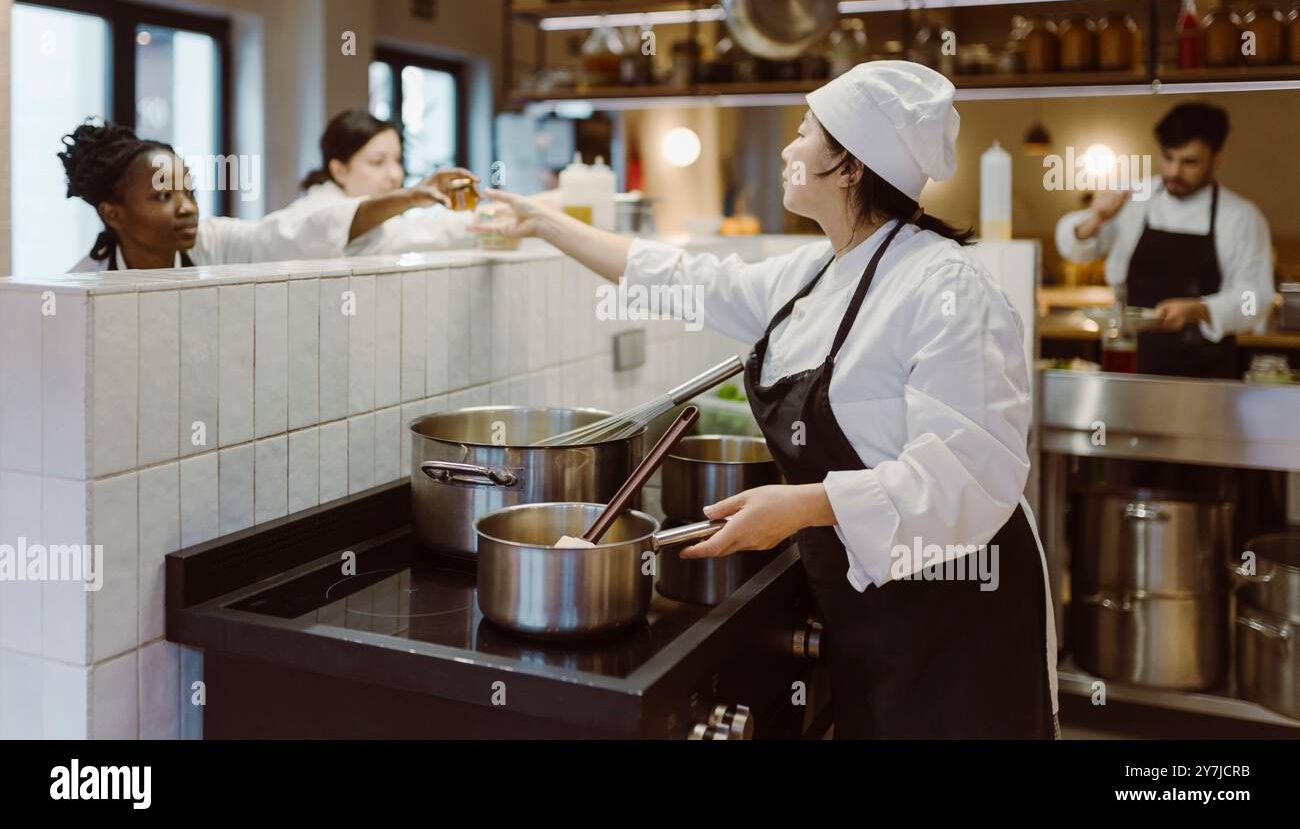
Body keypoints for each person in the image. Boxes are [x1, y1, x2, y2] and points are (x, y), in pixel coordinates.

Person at [481, 61, 1058, 739]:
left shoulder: (949, 290)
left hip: (962, 607)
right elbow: (680, 278)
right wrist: (544, 222)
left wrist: (804, 506)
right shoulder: (813, 273)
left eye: (807, 133)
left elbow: (970, 473)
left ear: (851, 168)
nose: (789, 148)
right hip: (866, 601)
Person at [1055, 102, 1275, 378]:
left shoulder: (1241, 217)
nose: (1174, 172)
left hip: (1206, 376)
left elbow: (1255, 299)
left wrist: (1202, 310)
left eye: (1189, 162)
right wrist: (1096, 219)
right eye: (1168, 158)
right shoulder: (1136, 197)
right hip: (1130, 360)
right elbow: (1072, 247)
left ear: (1217, 159)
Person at [62, 120, 458, 272]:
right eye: (164, 197)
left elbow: (297, 234)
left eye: (189, 192)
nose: (186, 208)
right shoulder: (84, 283)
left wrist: (407, 199)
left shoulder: (215, 242)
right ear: (113, 214)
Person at [285, 109, 480, 254]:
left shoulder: (387, 221)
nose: (395, 174)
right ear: (340, 171)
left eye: (397, 160)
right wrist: (408, 198)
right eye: (377, 162)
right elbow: (339, 226)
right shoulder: (314, 215)